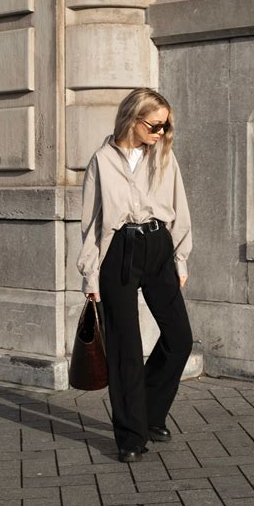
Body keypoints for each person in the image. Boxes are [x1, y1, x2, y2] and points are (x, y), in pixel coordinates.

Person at [77, 87, 193, 463]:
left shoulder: (163, 156)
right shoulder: (101, 161)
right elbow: (92, 224)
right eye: (155, 125)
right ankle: (130, 435)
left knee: (179, 339)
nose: (161, 133)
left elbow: (179, 207)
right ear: (133, 118)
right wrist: (90, 275)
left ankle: (150, 413)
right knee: (125, 349)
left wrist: (181, 258)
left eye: (165, 126)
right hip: (118, 254)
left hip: (158, 246)